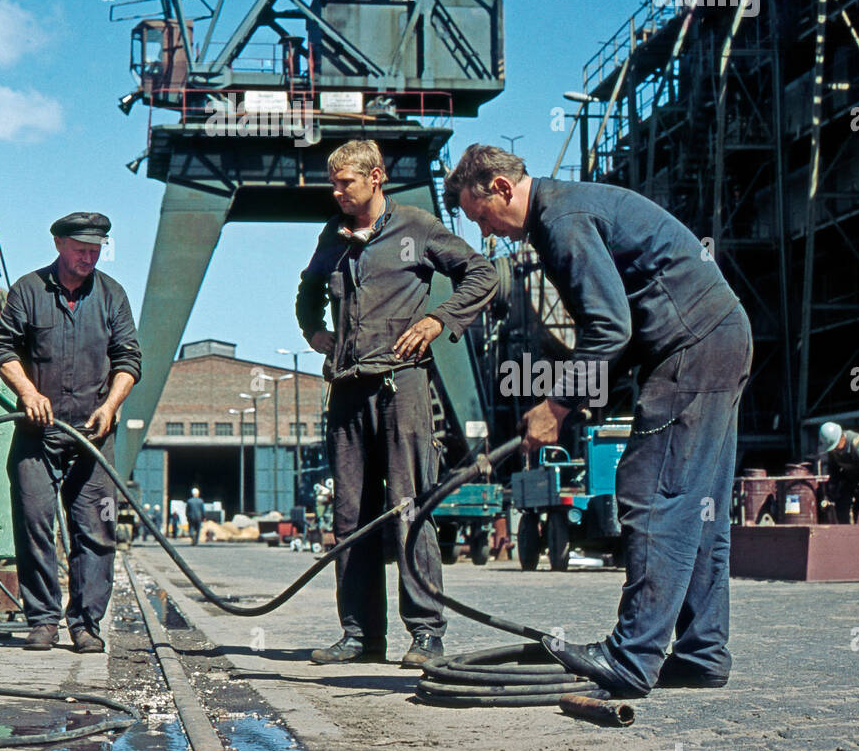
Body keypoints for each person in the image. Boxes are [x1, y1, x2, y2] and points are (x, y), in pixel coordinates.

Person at [445, 144, 752, 697]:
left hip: (692, 348)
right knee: (698, 507)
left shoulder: (561, 220)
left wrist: (556, 405)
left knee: (651, 494)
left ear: (500, 186)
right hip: (717, 338)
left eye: (482, 215)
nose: (487, 233)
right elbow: (625, 327)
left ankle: (632, 657)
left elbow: (608, 330)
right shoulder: (565, 210)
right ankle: (703, 652)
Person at [296, 139, 498, 669]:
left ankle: (426, 633)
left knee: (412, 507)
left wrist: (438, 321)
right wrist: (317, 334)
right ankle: (360, 634)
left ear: (377, 177)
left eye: (346, 183)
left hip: (401, 385)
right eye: (333, 183)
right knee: (349, 516)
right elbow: (308, 289)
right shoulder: (331, 236)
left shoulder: (417, 227)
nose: (336, 192)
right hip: (346, 389)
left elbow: (482, 273)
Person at [0, 211, 140, 653]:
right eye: (80, 250)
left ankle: (87, 624)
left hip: (93, 433)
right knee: (35, 520)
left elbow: (130, 359)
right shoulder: (28, 290)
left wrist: (111, 406)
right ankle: (42, 620)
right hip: (37, 431)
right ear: (58, 244)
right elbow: (1, 349)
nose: (88, 258)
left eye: (95, 251)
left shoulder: (113, 296)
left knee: (96, 528)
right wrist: (28, 392)